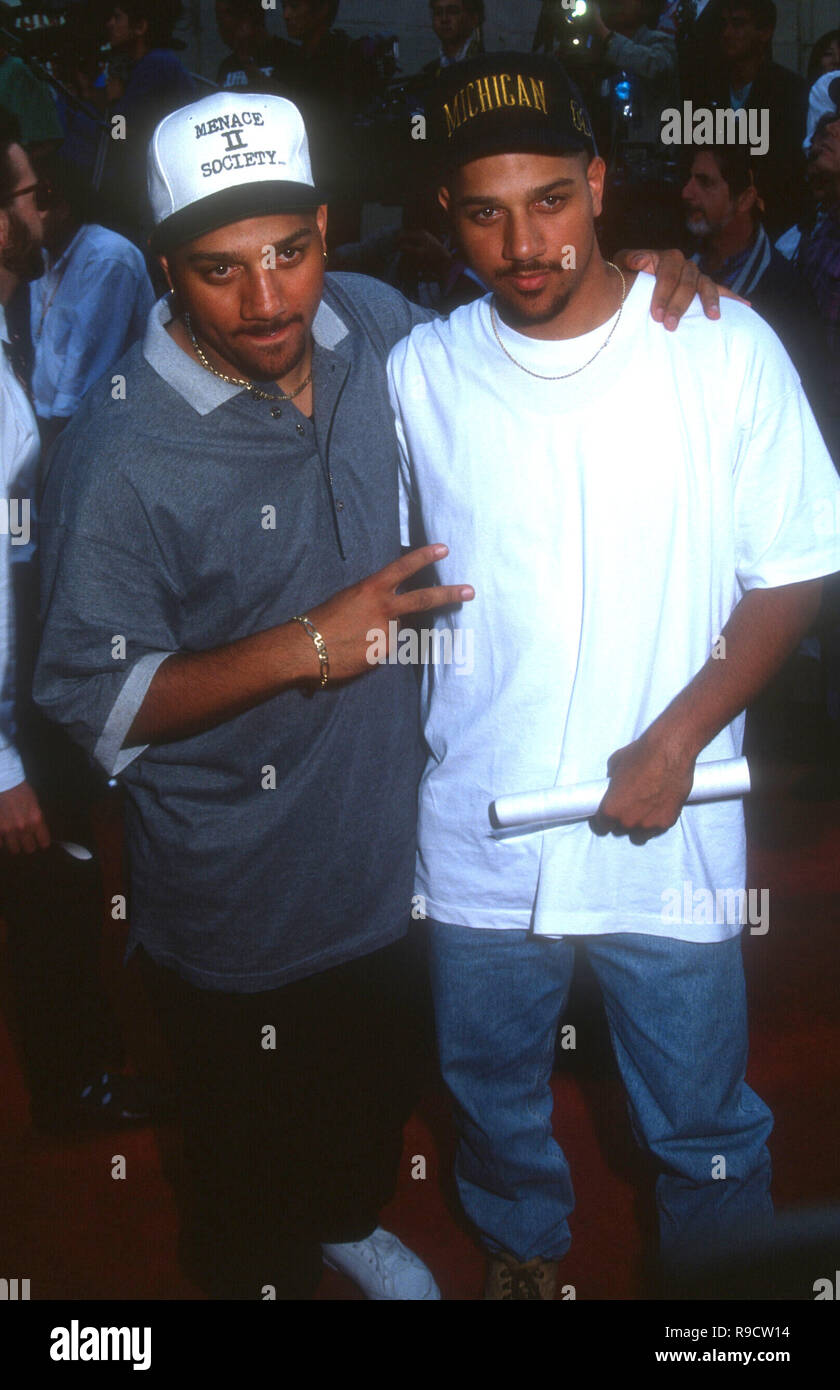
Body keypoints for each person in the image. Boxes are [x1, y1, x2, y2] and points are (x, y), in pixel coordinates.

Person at [29, 83, 719, 1299]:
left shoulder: (375, 324)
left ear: (328, 229)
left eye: (290, 251)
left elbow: (528, 328)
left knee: (365, 1097)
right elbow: (86, 703)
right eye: (219, 269)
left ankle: (346, 1215)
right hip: (239, 895)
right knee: (245, 1169)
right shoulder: (114, 452)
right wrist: (309, 643)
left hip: (396, 860)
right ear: (164, 269)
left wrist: (642, 268)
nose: (268, 300)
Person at [386, 52, 840, 1300]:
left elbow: (798, 563)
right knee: (491, 1095)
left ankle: (720, 1307)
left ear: (597, 186)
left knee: (704, 1120)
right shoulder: (416, 372)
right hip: (479, 830)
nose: (522, 242)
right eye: (486, 210)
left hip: (670, 824)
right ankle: (524, 1248)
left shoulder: (716, 346)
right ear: (447, 217)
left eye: (549, 200)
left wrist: (680, 735)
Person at [0, 108, 154, 1135]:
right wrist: (5, 764)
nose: (36, 207)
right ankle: (72, 1088)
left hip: (34, 688)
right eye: (18, 193)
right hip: (10, 726)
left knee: (61, 898)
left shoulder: (15, 319)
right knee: (49, 910)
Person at [29, 158, 155, 447]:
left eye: (41, 204)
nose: (31, 215)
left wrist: (54, 432)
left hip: (92, 428)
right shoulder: (43, 255)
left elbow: (88, 356)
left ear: (65, 208)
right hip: (47, 421)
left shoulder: (108, 257)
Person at [696, 1, 807, 238]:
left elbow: (785, 173)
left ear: (764, 32)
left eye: (738, 24)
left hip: (771, 227)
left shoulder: (790, 91)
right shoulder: (707, 88)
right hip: (711, 224)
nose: (727, 33)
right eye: (724, 24)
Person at [423, 1, 484, 80]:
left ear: (474, 18)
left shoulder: (485, 65)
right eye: (438, 12)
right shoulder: (428, 73)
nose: (444, 19)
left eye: (453, 12)